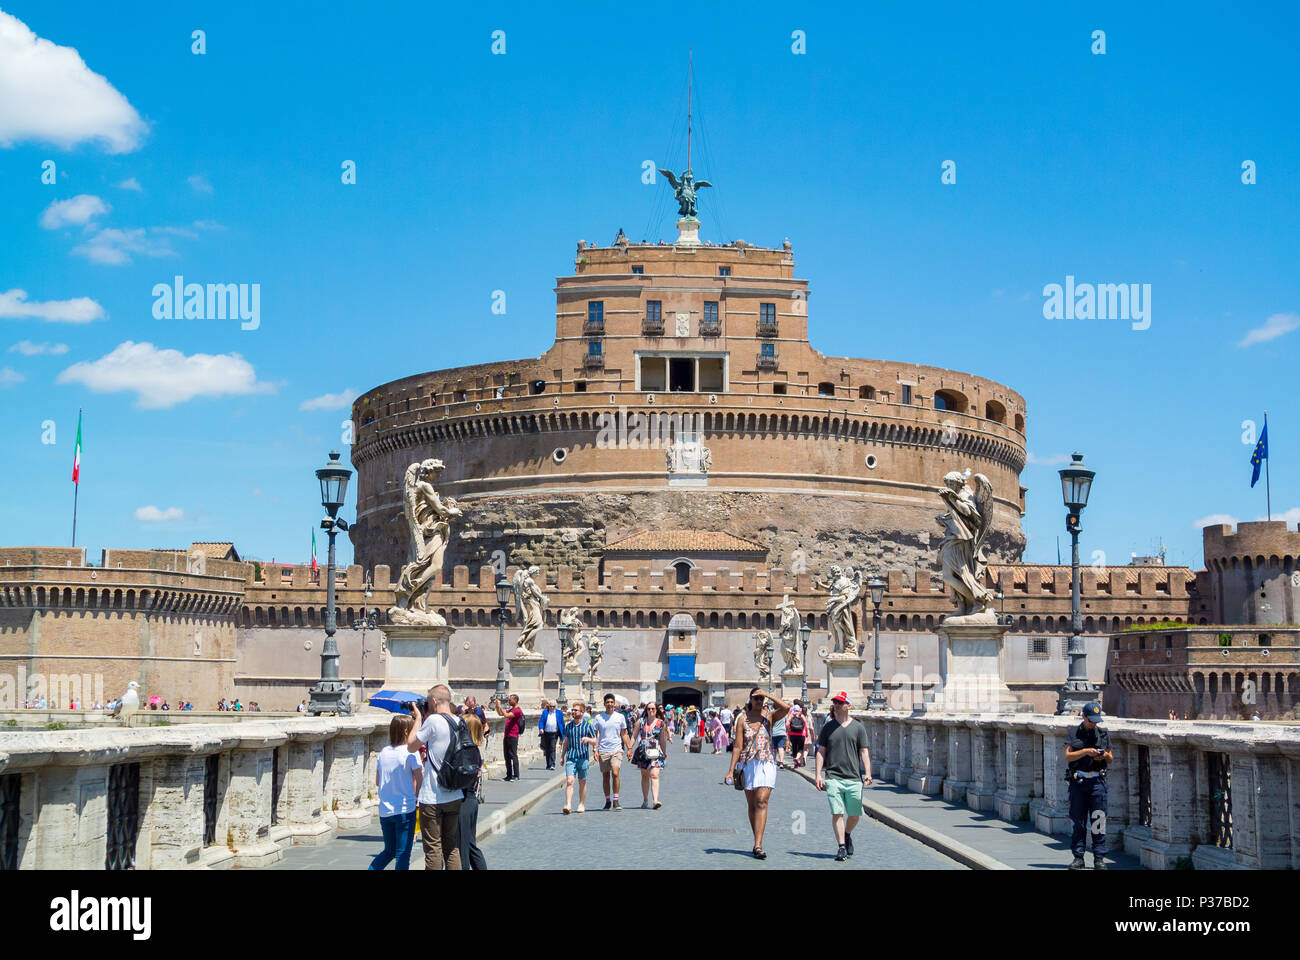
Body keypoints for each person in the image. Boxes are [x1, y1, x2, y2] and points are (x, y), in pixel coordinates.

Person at [406, 684, 466, 870]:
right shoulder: (460, 722)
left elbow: (411, 746)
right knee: (452, 848)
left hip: (433, 797)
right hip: (455, 794)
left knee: (433, 850)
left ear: (433, 701)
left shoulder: (433, 721)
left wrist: (418, 718)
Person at [726, 688, 789, 859]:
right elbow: (738, 746)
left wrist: (768, 694)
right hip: (748, 763)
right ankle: (757, 839)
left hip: (766, 761)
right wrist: (731, 770)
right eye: (756, 698)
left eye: (761, 699)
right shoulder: (742, 719)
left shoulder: (768, 717)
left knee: (762, 801)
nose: (759, 701)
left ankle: (758, 845)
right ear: (750, 699)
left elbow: (786, 708)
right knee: (752, 804)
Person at [815, 691, 872, 862]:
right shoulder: (828, 727)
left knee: (855, 814)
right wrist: (818, 774)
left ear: (848, 706)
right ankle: (841, 847)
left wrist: (868, 772)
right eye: (835, 702)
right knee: (837, 812)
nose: (837, 705)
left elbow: (864, 752)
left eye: (840, 702)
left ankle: (847, 835)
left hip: (854, 777)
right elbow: (821, 751)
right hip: (833, 776)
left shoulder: (858, 727)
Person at [370, 714, 422, 870]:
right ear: (406, 731)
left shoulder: (384, 752)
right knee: (403, 853)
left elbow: (378, 781)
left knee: (389, 851)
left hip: (385, 810)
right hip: (405, 808)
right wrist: (417, 797)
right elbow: (420, 779)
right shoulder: (411, 752)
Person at [1064, 701, 1111, 870]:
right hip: (1079, 782)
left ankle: (1099, 858)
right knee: (1079, 822)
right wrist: (1085, 752)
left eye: (1096, 721)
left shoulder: (1103, 734)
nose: (1093, 724)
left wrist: (1103, 756)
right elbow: (1068, 756)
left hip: (1097, 782)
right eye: (1091, 720)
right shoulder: (1074, 733)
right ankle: (1078, 858)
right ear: (1083, 716)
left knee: (1098, 821)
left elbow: (1111, 758)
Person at [458, 713, 488, 870]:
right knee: (469, 845)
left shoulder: (468, 751)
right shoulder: (474, 750)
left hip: (464, 799)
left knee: (463, 846)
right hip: (470, 800)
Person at [592, 693, 632, 810]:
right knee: (605, 776)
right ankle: (607, 800)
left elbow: (624, 733)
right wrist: (595, 749)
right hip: (603, 750)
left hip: (616, 749)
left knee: (615, 773)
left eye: (611, 702)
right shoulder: (599, 718)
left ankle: (616, 799)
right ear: (604, 704)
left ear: (614, 704)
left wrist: (629, 748)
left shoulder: (620, 717)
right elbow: (594, 735)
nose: (609, 704)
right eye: (607, 702)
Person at [560, 701, 598, 814]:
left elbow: (595, 740)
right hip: (571, 757)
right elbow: (566, 741)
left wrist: (588, 740)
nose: (573, 712)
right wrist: (562, 756)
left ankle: (581, 804)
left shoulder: (588, 725)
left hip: (583, 758)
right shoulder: (569, 726)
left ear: (582, 712)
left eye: (575, 710)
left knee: (582, 782)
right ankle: (568, 804)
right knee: (570, 780)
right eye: (572, 710)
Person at [631, 701, 669, 809]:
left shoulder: (661, 723)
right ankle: (645, 799)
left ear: (656, 710)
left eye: (653, 709)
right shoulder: (641, 722)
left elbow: (662, 739)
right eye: (649, 709)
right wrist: (629, 748)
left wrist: (664, 751)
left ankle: (655, 800)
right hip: (643, 751)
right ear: (646, 710)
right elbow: (634, 736)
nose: (651, 711)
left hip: (656, 751)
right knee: (644, 776)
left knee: (654, 775)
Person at [492, 693, 525, 781]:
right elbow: (500, 714)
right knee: (506, 756)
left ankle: (516, 775)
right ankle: (509, 775)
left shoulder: (518, 711)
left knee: (513, 755)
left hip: (513, 735)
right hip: (507, 735)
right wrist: (496, 706)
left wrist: (500, 705)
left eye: (510, 700)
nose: (509, 701)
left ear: (515, 700)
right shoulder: (511, 709)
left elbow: (506, 715)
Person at [538, 699, 564, 771]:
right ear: (548, 706)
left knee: (552, 748)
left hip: (554, 733)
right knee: (547, 749)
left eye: (553, 706)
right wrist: (541, 728)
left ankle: (552, 764)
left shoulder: (559, 713)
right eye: (551, 706)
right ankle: (548, 764)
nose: (552, 708)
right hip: (546, 733)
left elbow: (562, 724)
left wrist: (562, 736)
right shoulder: (545, 712)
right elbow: (541, 721)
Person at [786, 703, 810, 767]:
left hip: (793, 734)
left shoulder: (791, 715)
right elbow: (806, 725)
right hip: (801, 734)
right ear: (799, 709)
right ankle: (797, 758)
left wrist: (789, 730)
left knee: (794, 748)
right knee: (800, 749)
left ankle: (795, 764)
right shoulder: (802, 715)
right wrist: (807, 733)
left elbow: (787, 724)